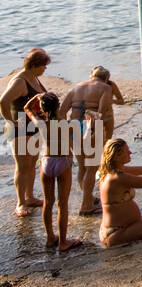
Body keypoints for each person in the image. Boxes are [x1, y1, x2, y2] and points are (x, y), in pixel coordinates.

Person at [59, 66, 124, 215]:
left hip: (73, 127)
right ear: (106, 79)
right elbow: (100, 112)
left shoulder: (76, 87)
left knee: (82, 166)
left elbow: (62, 112)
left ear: (91, 76)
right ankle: (86, 205)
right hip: (91, 127)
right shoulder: (105, 88)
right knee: (91, 167)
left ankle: (88, 197)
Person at [24, 92, 80, 251]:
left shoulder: (41, 122)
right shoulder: (65, 122)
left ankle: (50, 238)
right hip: (63, 161)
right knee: (62, 204)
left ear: (42, 108)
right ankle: (63, 242)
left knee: (47, 203)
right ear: (57, 105)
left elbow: (26, 108)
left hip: (47, 161)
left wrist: (36, 97)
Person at [2, 48, 50, 216]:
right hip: (19, 129)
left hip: (32, 127)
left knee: (31, 163)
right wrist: (9, 121)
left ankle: (29, 197)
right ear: (34, 65)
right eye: (43, 66)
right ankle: (20, 203)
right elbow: (3, 101)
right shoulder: (20, 81)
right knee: (22, 166)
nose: (45, 69)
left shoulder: (34, 78)